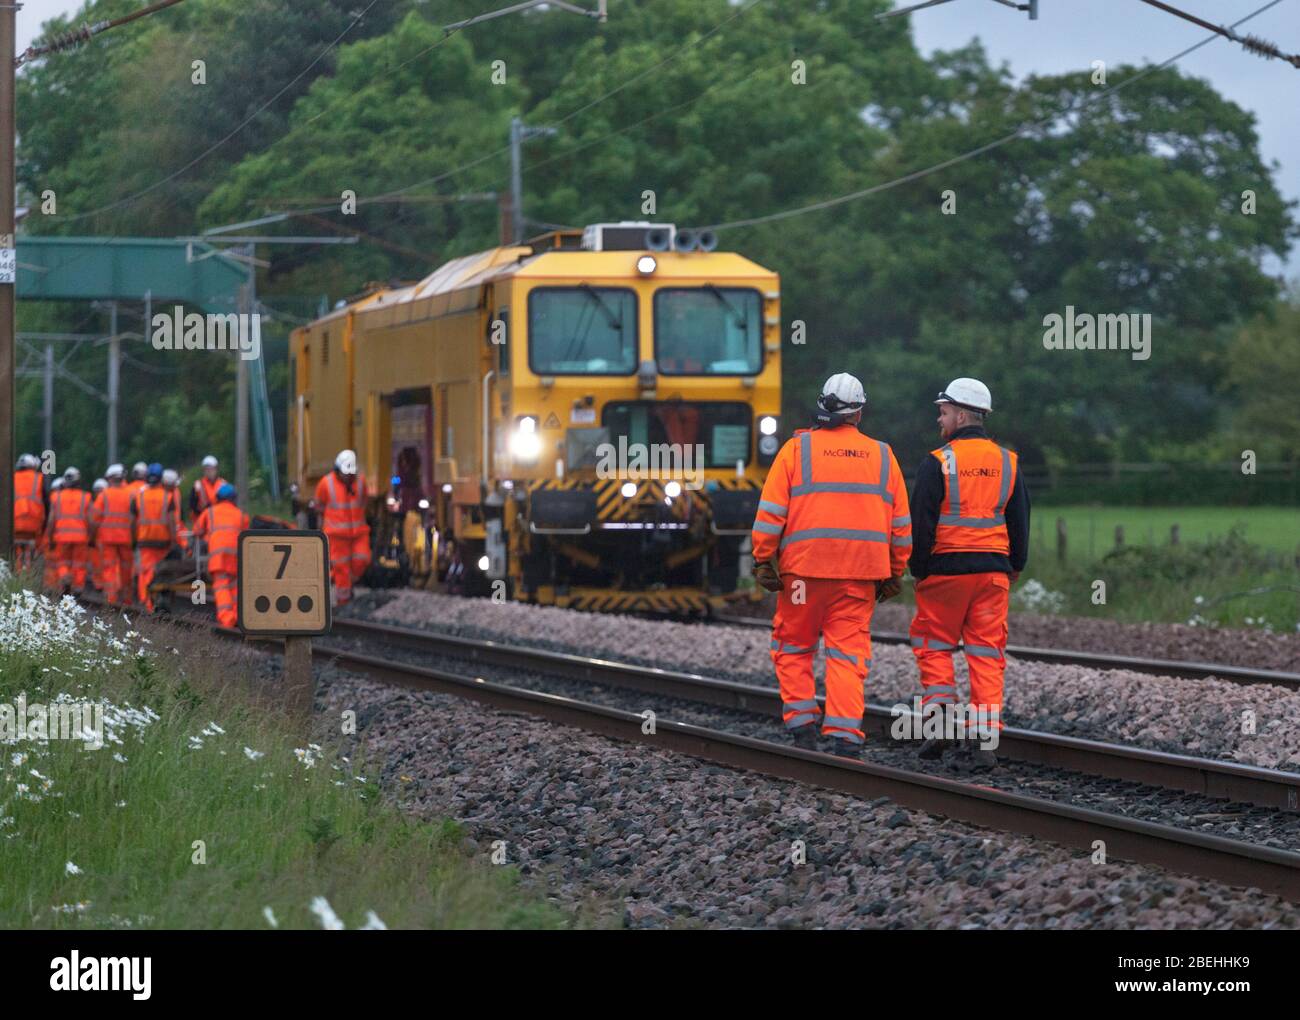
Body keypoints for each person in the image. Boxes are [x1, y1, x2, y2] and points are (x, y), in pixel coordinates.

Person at [750, 373, 912, 757]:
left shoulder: (797, 450)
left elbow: (770, 512)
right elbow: (901, 524)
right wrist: (896, 570)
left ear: (822, 405)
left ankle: (803, 723)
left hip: (804, 575)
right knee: (847, 653)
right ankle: (843, 734)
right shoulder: (883, 455)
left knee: (793, 645)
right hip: (859, 576)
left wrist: (762, 559)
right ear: (860, 412)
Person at [908, 378, 1030, 767]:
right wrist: (1015, 565)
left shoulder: (938, 461)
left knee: (935, 646)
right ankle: (983, 743)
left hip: (946, 571)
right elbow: (1020, 519)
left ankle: (941, 725)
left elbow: (921, 521)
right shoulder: (1008, 462)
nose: (939, 420)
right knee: (986, 654)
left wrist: (919, 568)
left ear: (961, 414)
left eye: (943, 413)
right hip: (993, 571)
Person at [314, 449, 371, 607]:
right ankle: (343, 601)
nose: (348, 477)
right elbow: (319, 506)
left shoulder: (360, 482)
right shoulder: (326, 483)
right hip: (336, 535)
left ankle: (349, 584)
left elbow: (364, 502)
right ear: (337, 470)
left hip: (359, 533)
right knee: (341, 568)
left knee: (362, 559)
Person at [191, 483, 249, 628]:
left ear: (217, 498)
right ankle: (238, 617)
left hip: (218, 558)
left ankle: (227, 619)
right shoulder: (241, 515)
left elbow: (196, 530)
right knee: (236, 588)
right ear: (233, 499)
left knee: (222, 587)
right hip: (237, 559)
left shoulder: (209, 512)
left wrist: (207, 536)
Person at [131, 463, 177, 612]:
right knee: (161, 572)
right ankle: (159, 600)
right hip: (163, 541)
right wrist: (173, 540)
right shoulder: (167, 496)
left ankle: (147, 604)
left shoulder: (139, 496)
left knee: (146, 572)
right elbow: (171, 521)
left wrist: (134, 539)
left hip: (145, 541)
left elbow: (132, 522)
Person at [45, 467, 94, 594]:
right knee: (79, 564)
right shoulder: (86, 497)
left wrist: (50, 538)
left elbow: (51, 520)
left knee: (62, 562)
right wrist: (91, 537)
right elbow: (91, 521)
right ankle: (77, 588)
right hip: (81, 538)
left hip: (61, 537)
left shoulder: (56, 497)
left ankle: (65, 577)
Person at [93, 464, 135, 607]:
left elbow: (95, 518)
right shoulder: (131, 494)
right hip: (126, 538)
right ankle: (127, 600)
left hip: (108, 539)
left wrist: (92, 536)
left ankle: (111, 601)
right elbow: (136, 518)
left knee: (109, 569)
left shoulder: (104, 495)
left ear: (110, 479)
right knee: (126, 570)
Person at [12, 453, 47, 572]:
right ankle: (27, 576)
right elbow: (46, 503)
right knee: (29, 551)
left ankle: (17, 575)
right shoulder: (39, 478)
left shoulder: (11, 477)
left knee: (16, 552)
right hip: (34, 524)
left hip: (14, 523)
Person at [190, 455, 227, 522]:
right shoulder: (198, 485)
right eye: (206, 469)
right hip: (202, 519)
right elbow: (192, 504)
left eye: (211, 469)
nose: (209, 471)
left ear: (216, 469)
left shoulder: (223, 484)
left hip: (219, 518)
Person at [162, 468, 188, 552]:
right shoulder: (168, 493)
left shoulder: (174, 492)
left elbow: (179, 509)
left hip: (175, 527)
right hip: (169, 528)